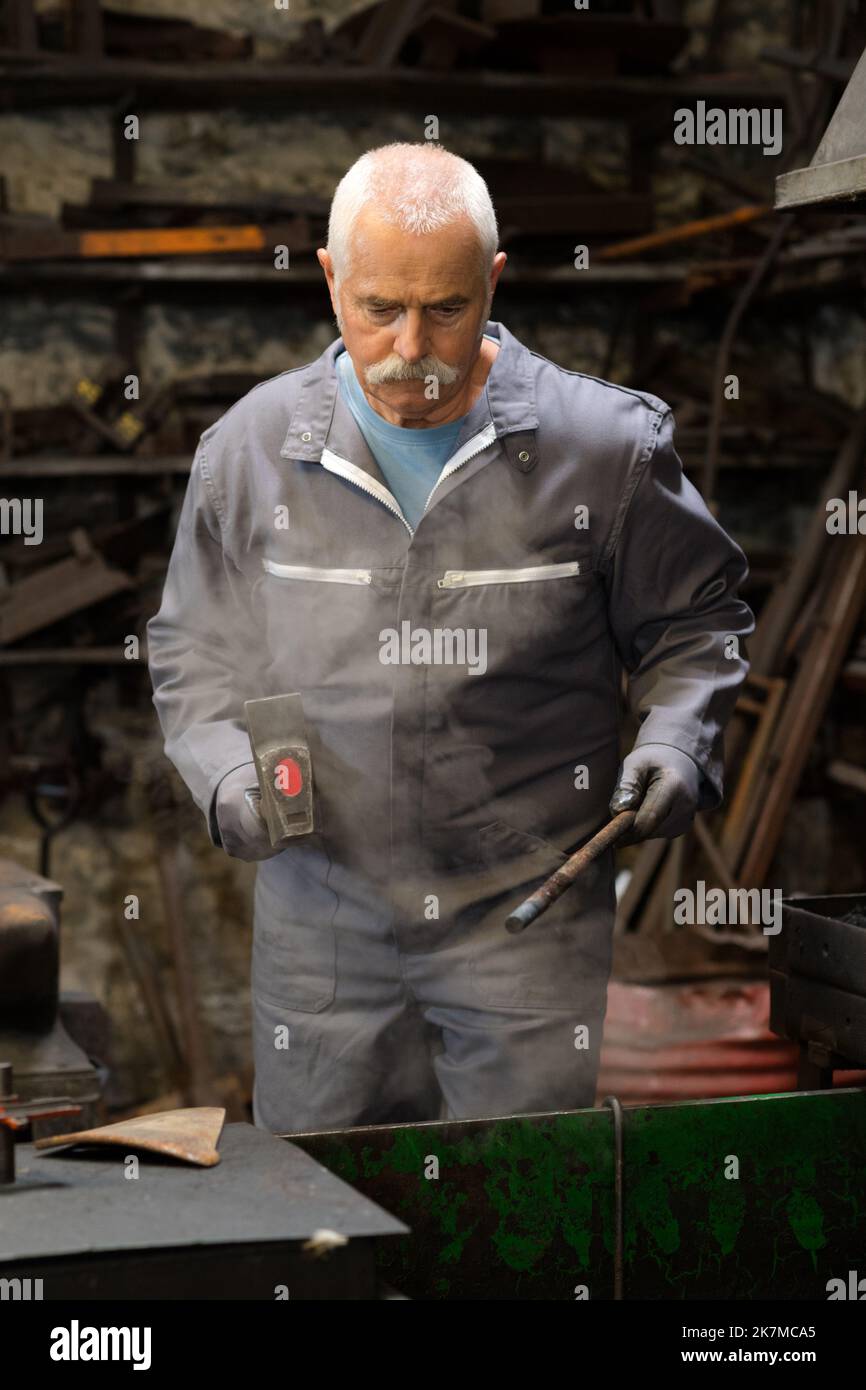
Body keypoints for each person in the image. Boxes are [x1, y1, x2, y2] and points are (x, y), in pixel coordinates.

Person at [146, 142, 754, 1133]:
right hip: (323, 921)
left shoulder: (603, 452)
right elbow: (188, 650)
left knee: (516, 1220)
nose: (412, 349)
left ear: (493, 282)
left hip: (527, 914)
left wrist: (672, 739)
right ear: (329, 279)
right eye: (379, 309)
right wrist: (224, 776)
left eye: (446, 308)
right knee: (324, 1226)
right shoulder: (248, 456)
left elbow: (695, 618)